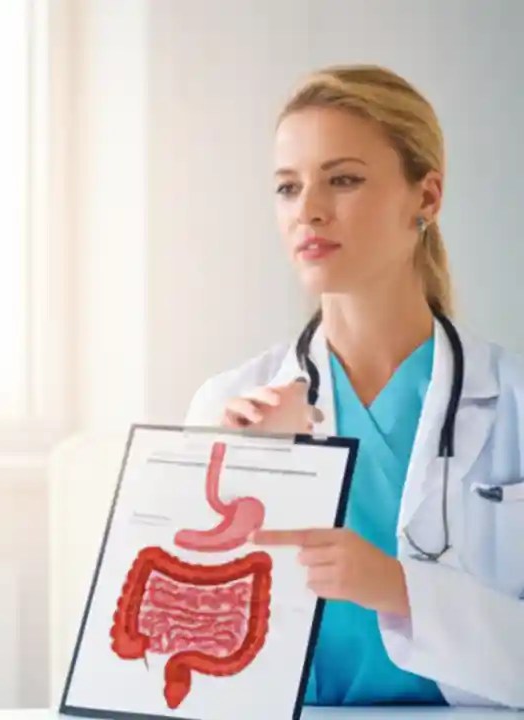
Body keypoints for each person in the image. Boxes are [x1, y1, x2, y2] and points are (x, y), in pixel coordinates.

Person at [186, 64, 524, 709]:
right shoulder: (231, 404)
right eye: (288, 188)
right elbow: (187, 661)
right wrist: (245, 478)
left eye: (343, 180)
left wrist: (398, 589)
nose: (308, 210)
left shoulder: (513, 402)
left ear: (426, 198)